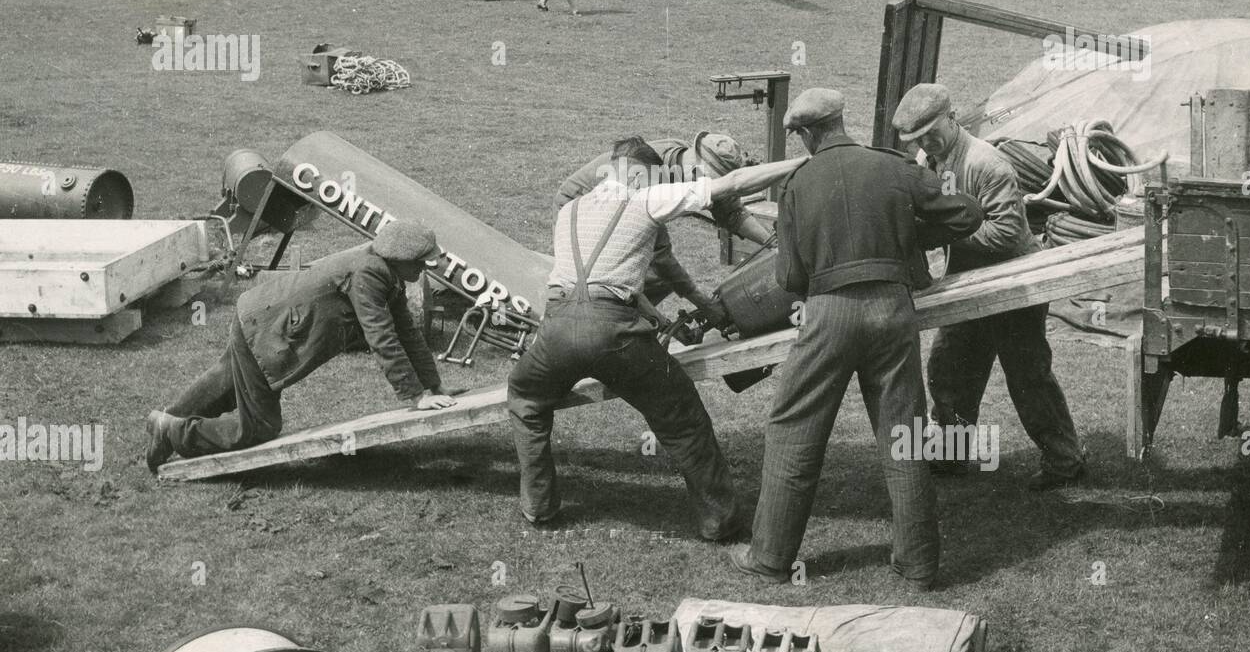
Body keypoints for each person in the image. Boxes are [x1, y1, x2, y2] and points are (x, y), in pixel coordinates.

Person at [728, 88, 984, 589]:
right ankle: (919, 566)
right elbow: (967, 214)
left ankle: (770, 559)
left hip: (829, 314)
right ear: (842, 121)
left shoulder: (799, 184)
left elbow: (789, 279)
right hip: (894, 313)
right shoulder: (895, 166)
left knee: (793, 429)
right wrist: (903, 237)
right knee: (903, 436)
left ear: (805, 134)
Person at [507, 137, 807, 534]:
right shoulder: (646, 199)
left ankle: (538, 507)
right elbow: (732, 185)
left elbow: (597, 275)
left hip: (557, 329)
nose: (655, 184)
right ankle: (719, 520)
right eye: (650, 178)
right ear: (634, 171)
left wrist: (657, 317)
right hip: (614, 333)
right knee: (683, 419)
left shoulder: (569, 212)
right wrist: (804, 160)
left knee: (526, 398)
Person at [893, 83, 1089, 489]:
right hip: (968, 281)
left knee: (1027, 375)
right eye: (917, 138)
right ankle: (952, 454)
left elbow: (1005, 232)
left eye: (931, 132)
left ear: (953, 117)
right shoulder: (927, 161)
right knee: (950, 369)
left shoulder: (987, 163)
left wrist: (941, 237)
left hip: (1013, 282)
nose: (926, 142)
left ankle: (1065, 462)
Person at [145, 222, 457, 472]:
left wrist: (434, 386)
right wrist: (415, 397)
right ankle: (175, 431)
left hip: (258, 315)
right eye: (421, 265)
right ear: (402, 259)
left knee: (225, 382)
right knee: (259, 426)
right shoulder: (370, 273)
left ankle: (166, 420)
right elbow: (382, 337)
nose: (424, 272)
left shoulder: (387, 274)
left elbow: (408, 334)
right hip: (265, 329)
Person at [554, 132, 772, 311]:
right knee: (632, 279)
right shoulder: (650, 180)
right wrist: (702, 302)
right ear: (696, 169)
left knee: (657, 282)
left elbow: (732, 212)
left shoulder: (692, 160)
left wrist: (772, 242)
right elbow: (661, 257)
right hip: (578, 205)